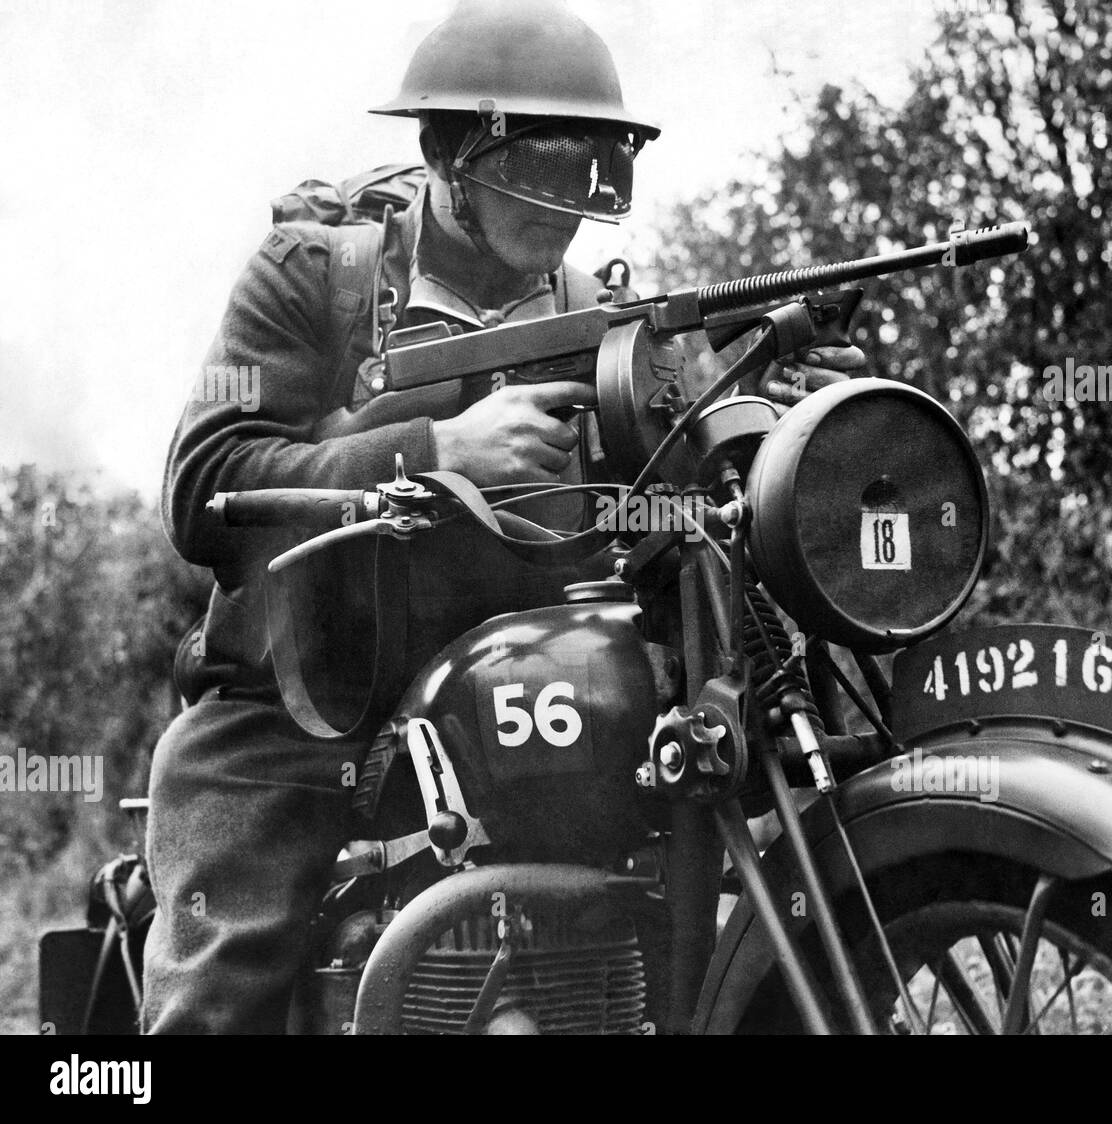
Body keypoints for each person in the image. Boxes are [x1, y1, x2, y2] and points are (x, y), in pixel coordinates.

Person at [143, 0, 866, 1033]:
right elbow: (203, 485)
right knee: (219, 985)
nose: (566, 202)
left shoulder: (593, 311)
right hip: (305, 710)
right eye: (537, 166)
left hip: (518, 701)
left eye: (591, 171)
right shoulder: (314, 275)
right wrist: (438, 453)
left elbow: (671, 477)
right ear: (447, 150)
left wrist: (767, 402)